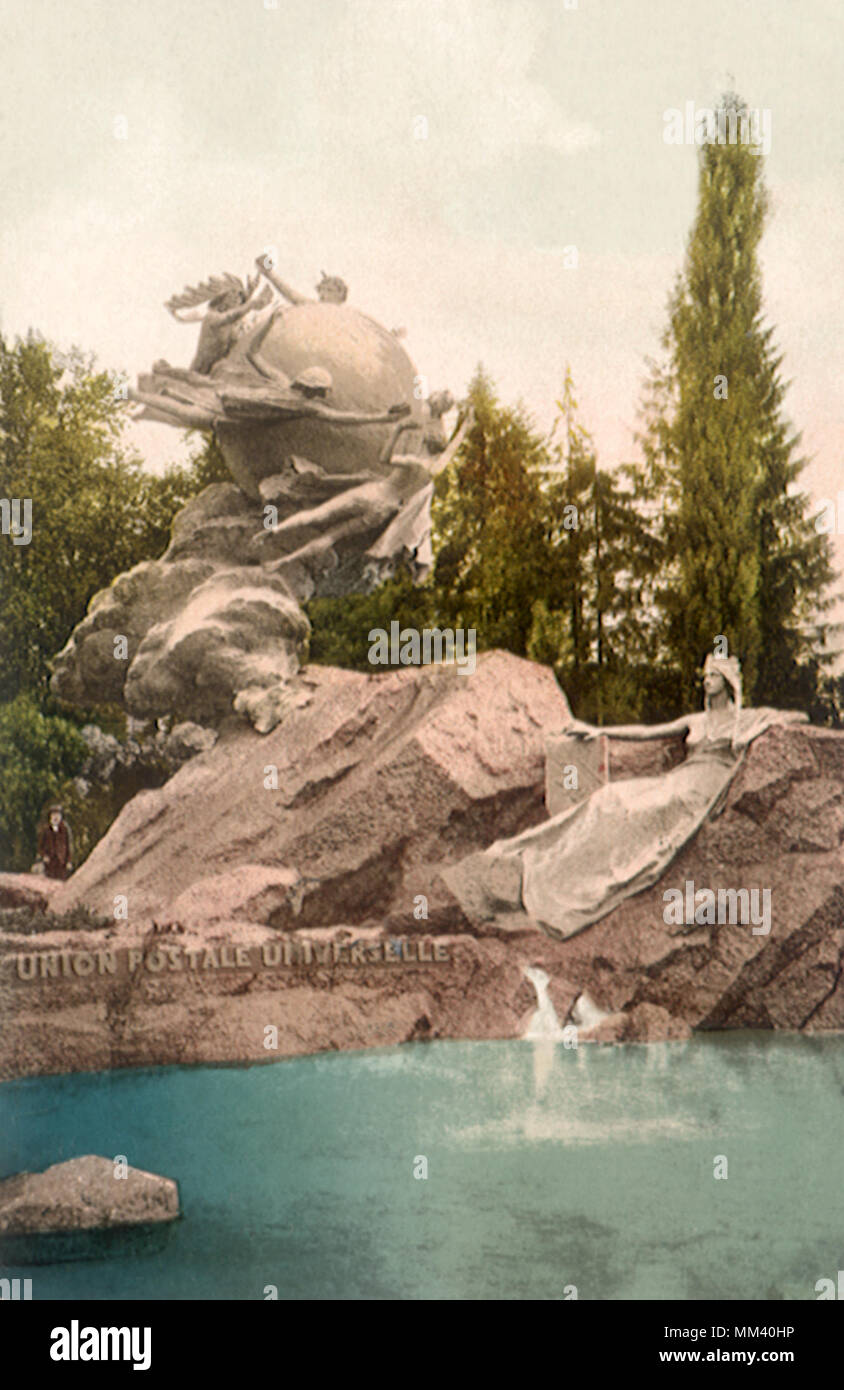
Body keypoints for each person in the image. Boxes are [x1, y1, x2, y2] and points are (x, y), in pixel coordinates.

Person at [443, 653, 808, 942]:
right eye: (706, 674)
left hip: (699, 792)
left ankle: (575, 887)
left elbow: (797, 715)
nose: (705, 680)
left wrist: (765, 724)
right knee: (612, 799)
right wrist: (599, 729)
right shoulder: (696, 720)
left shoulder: (749, 718)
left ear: (727, 682)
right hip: (678, 779)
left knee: (648, 808)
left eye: (712, 675)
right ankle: (545, 863)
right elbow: (646, 732)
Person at [254, 256, 348, 306]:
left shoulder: (348, 316)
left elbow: (294, 297)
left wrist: (271, 275)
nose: (323, 295)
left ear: (340, 294)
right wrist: (270, 274)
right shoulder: (317, 308)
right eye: (321, 290)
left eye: (329, 290)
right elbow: (293, 296)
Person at [37, 805, 73, 881]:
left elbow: (69, 846)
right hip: (50, 862)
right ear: (50, 816)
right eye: (53, 815)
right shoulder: (45, 829)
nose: (56, 817)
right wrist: (44, 856)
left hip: (62, 861)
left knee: (61, 882)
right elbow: (40, 846)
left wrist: (69, 861)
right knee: (49, 881)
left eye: (58, 815)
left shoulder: (65, 829)